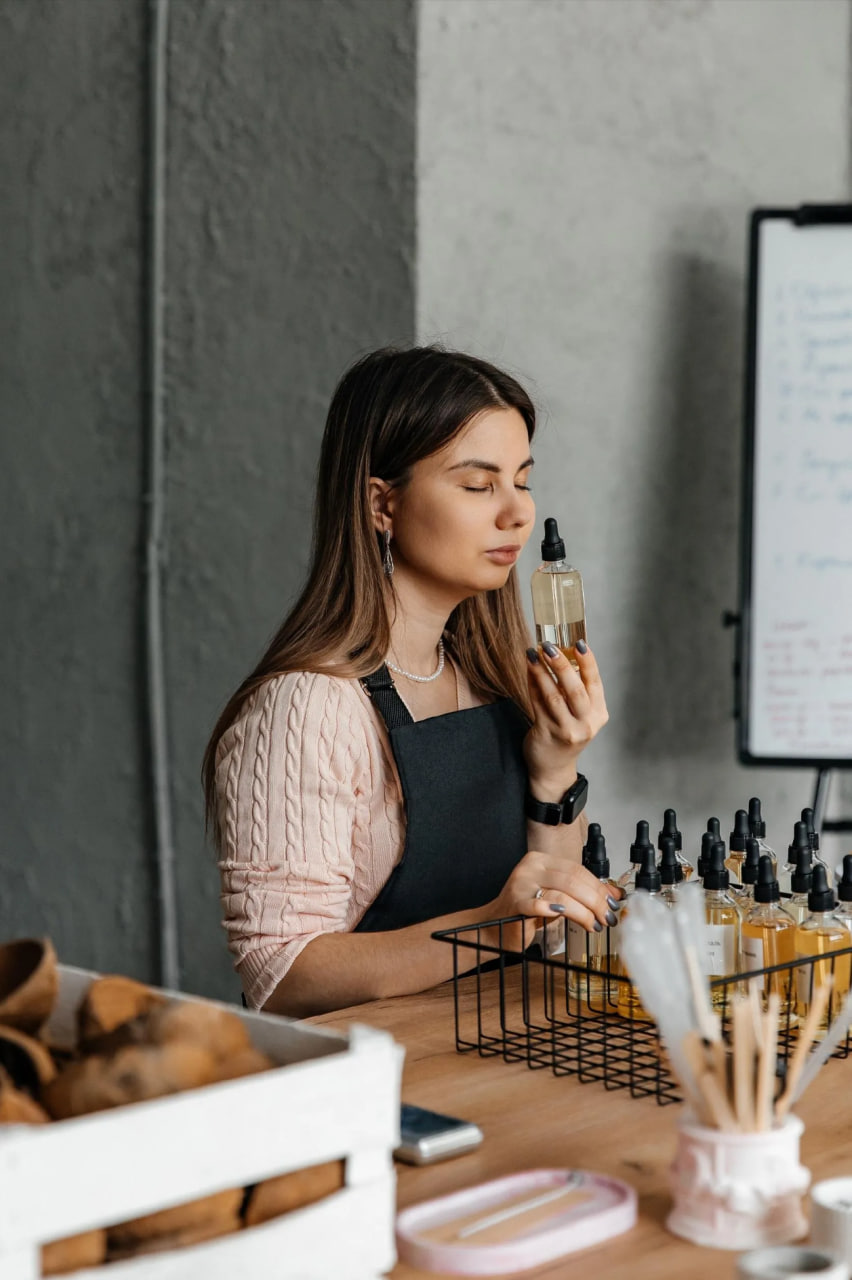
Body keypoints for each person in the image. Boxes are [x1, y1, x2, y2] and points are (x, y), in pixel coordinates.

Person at [202, 346, 615, 1017]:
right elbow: (281, 975)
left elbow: (556, 932)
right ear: (382, 504)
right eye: (478, 485)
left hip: (496, 1050)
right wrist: (489, 930)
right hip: (370, 1072)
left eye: (522, 480)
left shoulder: (492, 682)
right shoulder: (307, 708)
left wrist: (555, 772)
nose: (517, 513)